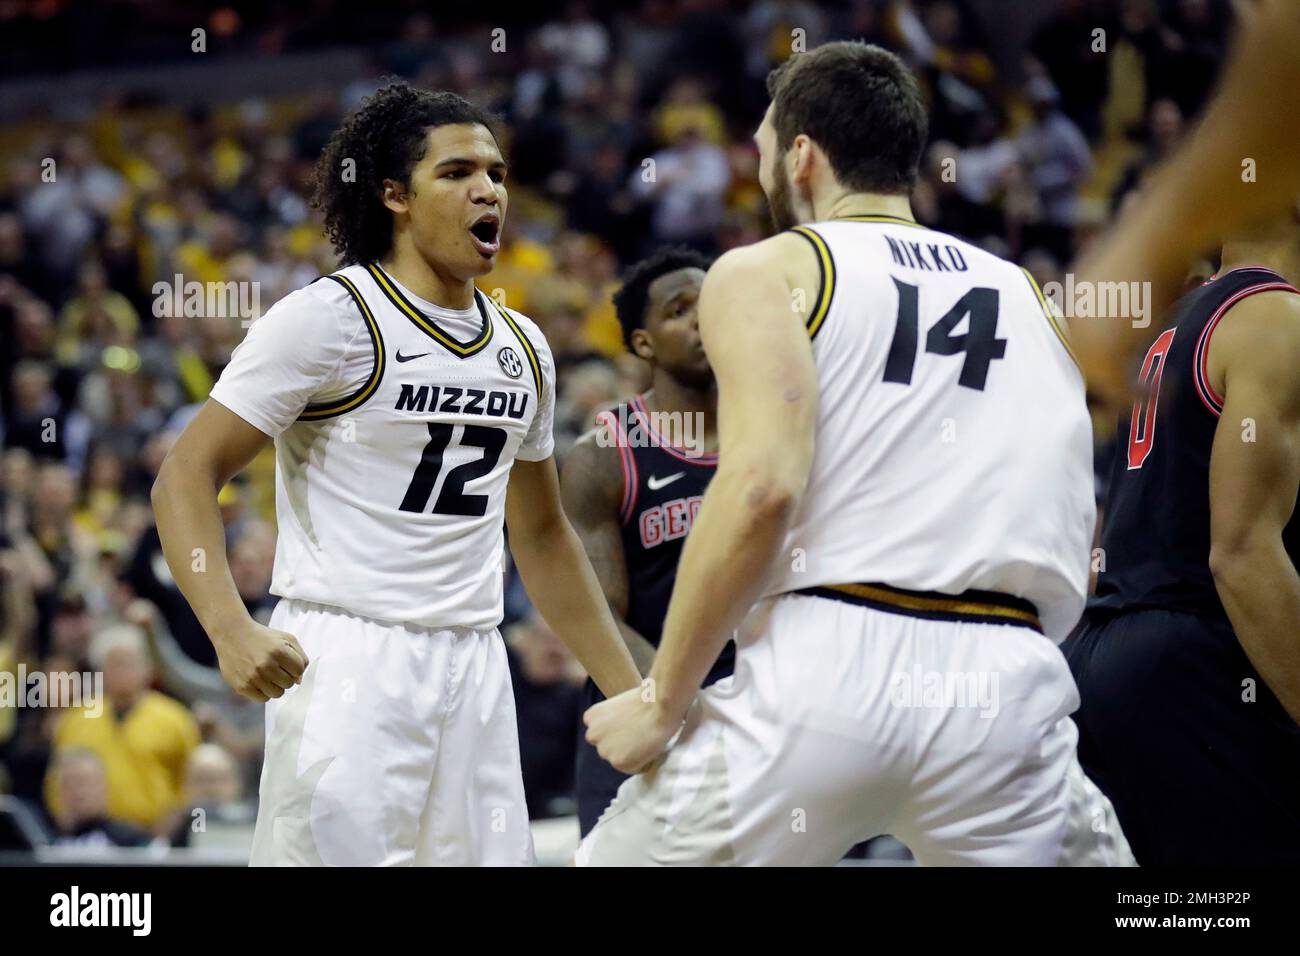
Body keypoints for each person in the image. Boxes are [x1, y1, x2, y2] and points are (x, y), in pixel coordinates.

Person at [579, 41, 1132, 866]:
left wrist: (663, 697)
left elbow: (763, 486)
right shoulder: (1028, 293)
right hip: (1009, 681)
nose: (761, 167)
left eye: (764, 149)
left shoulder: (767, 268)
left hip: (832, 666)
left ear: (801, 156)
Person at [150, 82, 639, 866]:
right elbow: (184, 474)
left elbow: (544, 537)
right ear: (393, 195)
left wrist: (630, 691)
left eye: (497, 173)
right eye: (456, 173)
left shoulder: (524, 347)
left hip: (478, 663)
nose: (487, 189)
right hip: (348, 655)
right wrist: (228, 625)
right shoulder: (329, 319)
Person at [1065, 209, 1300, 864]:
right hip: (1192, 673)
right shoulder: (1275, 319)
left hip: (1105, 656)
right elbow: (1243, 555)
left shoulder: (1173, 323)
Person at [561, 246, 731, 836]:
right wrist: (680, 706)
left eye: (710, 304)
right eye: (680, 310)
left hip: (765, 712)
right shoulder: (606, 455)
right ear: (643, 344)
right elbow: (597, 614)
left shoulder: (776, 433)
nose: (700, 319)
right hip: (642, 706)